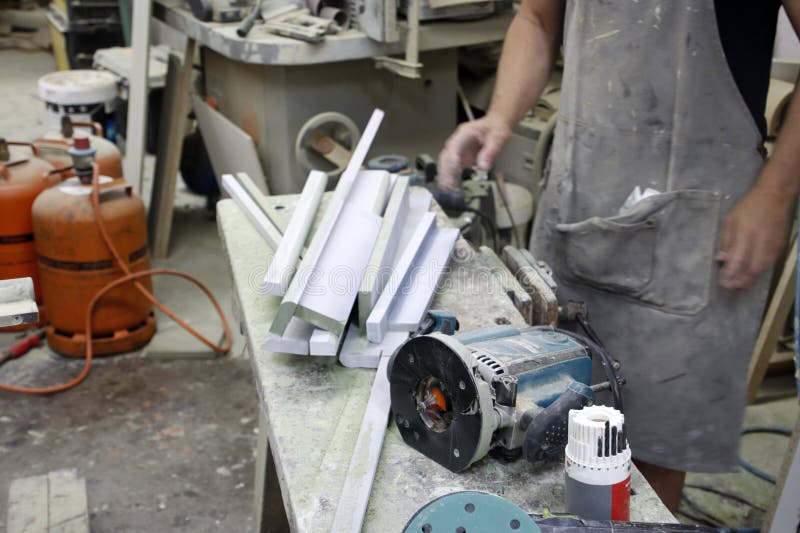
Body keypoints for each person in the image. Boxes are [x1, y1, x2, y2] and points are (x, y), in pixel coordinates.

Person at [438, 0, 800, 512]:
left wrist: (776, 194)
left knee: (647, 457)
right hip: (582, 203)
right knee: (539, 425)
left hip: (688, 236)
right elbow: (538, 19)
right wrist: (499, 117)